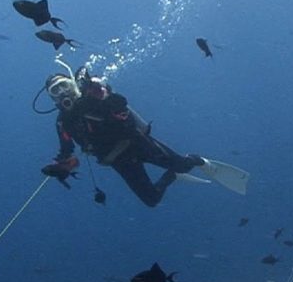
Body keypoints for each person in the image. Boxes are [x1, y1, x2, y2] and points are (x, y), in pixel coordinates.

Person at [39, 65, 243, 206]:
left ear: (73, 84)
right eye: (56, 91)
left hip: (137, 143)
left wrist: (103, 95)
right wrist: (60, 165)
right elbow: (66, 149)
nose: (63, 92)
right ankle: (174, 175)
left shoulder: (93, 98)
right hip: (118, 160)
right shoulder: (63, 122)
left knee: (183, 164)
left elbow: (120, 106)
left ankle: (199, 161)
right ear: (52, 98)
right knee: (151, 200)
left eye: (65, 85)